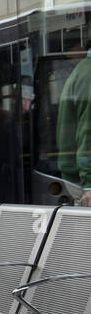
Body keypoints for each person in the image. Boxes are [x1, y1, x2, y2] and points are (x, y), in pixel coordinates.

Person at [56, 35, 91, 205]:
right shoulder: (88, 73)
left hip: (78, 176)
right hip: (84, 180)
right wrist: (89, 183)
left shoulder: (83, 71)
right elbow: (88, 131)